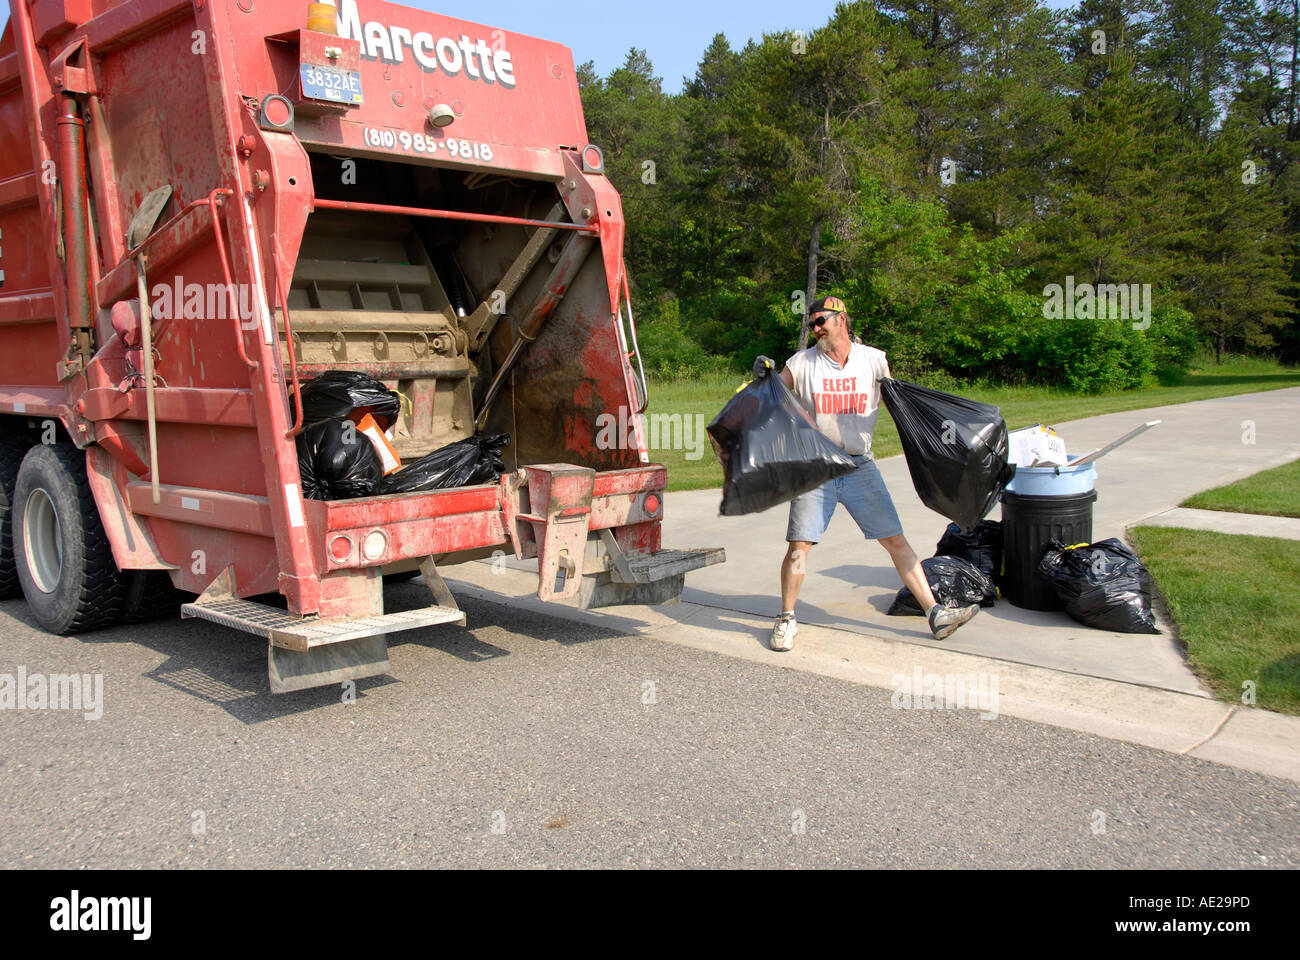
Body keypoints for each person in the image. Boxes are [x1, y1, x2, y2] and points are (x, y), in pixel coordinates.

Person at [766, 296, 979, 652]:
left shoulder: (874, 361)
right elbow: (772, 393)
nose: (815, 328)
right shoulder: (802, 363)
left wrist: (937, 444)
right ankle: (787, 618)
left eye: (821, 321)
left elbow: (900, 406)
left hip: (859, 465)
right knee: (799, 546)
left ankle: (935, 613)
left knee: (895, 539)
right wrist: (765, 376)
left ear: (841, 319)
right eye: (812, 324)